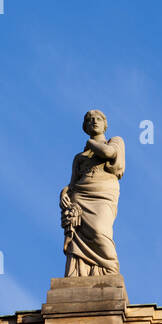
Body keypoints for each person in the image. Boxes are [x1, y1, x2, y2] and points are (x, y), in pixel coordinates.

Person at [60, 109, 125, 276]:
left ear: (105, 125)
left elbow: (108, 153)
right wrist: (63, 193)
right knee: (80, 235)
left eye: (98, 119)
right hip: (80, 197)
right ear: (86, 127)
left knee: (99, 231)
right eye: (90, 120)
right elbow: (72, 184)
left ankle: (110, 269)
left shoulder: (115, 141)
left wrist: (91, 144)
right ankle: (82, 274)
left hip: (103, 194)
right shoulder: (79, 157)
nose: (94, 122)